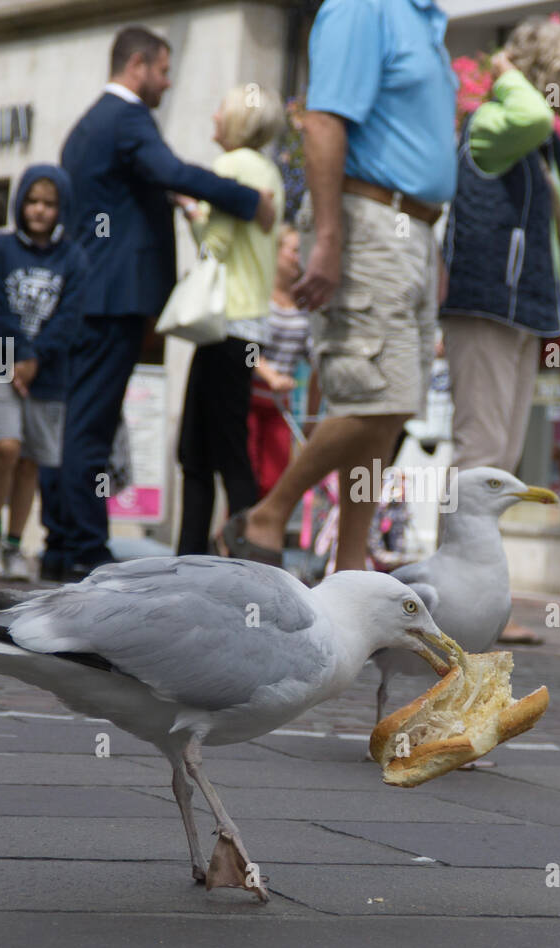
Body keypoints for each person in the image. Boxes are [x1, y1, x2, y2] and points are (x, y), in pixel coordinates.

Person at [222, 0, 456, 573]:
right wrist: (327, 236)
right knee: (379, 397)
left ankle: (349, 567)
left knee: (386, 409)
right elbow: (324, 120)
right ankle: (267, 514)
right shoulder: (362, 6)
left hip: (411, 227)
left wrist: (431, 239)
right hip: (367, 218)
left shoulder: (425, 19)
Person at [59, 25, 276, 580]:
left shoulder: (86, 126)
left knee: (86, 418)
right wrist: (250, 200)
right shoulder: (128, 118)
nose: (168, 80)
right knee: (94, 421)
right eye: (162, 69)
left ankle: (65, 541)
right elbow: (172, 172)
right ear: (137, 67)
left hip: (95, 289)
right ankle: (83, 544)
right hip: (115, 293)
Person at [441, 17, 560, 642]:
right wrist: (506, 75)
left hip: (524, 307)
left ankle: (476, 604)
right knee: (481, 454)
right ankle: (457, 604)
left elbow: (552, 239)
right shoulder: (501, 122)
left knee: (500, 459)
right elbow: (533, 115)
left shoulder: (534, 142)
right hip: (487, 301)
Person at [175, 85, 286, 556]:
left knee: (210, 451)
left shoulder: (232, 168)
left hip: (224, 324)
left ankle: (245, 557)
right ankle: (211, 556)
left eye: (222, 108)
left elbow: (213, 245)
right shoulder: (270, 172)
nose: (215, 115)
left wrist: (187, 208)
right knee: (209, 447)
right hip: (247, 326)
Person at [0, 164, 87, 581]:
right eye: (33, 201)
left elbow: (69, 317)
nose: (40, 210)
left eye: (49, 203)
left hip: (49, 374)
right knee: (6, 447)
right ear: (20, 203)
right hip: (1, 364)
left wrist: (36, 357)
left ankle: (13, 544)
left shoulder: (73, 257)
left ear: (62, 208)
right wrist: (20, 356)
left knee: (30, 462)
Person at [248, 225, 310, 498]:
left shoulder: (304, 304)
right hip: (249, 402)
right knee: (247, 478)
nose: (299, 257)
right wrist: (271, 376)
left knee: (275, 483)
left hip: (280, 408)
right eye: (294, 250)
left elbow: (314, 359)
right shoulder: (258, 296)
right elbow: (247, 349)